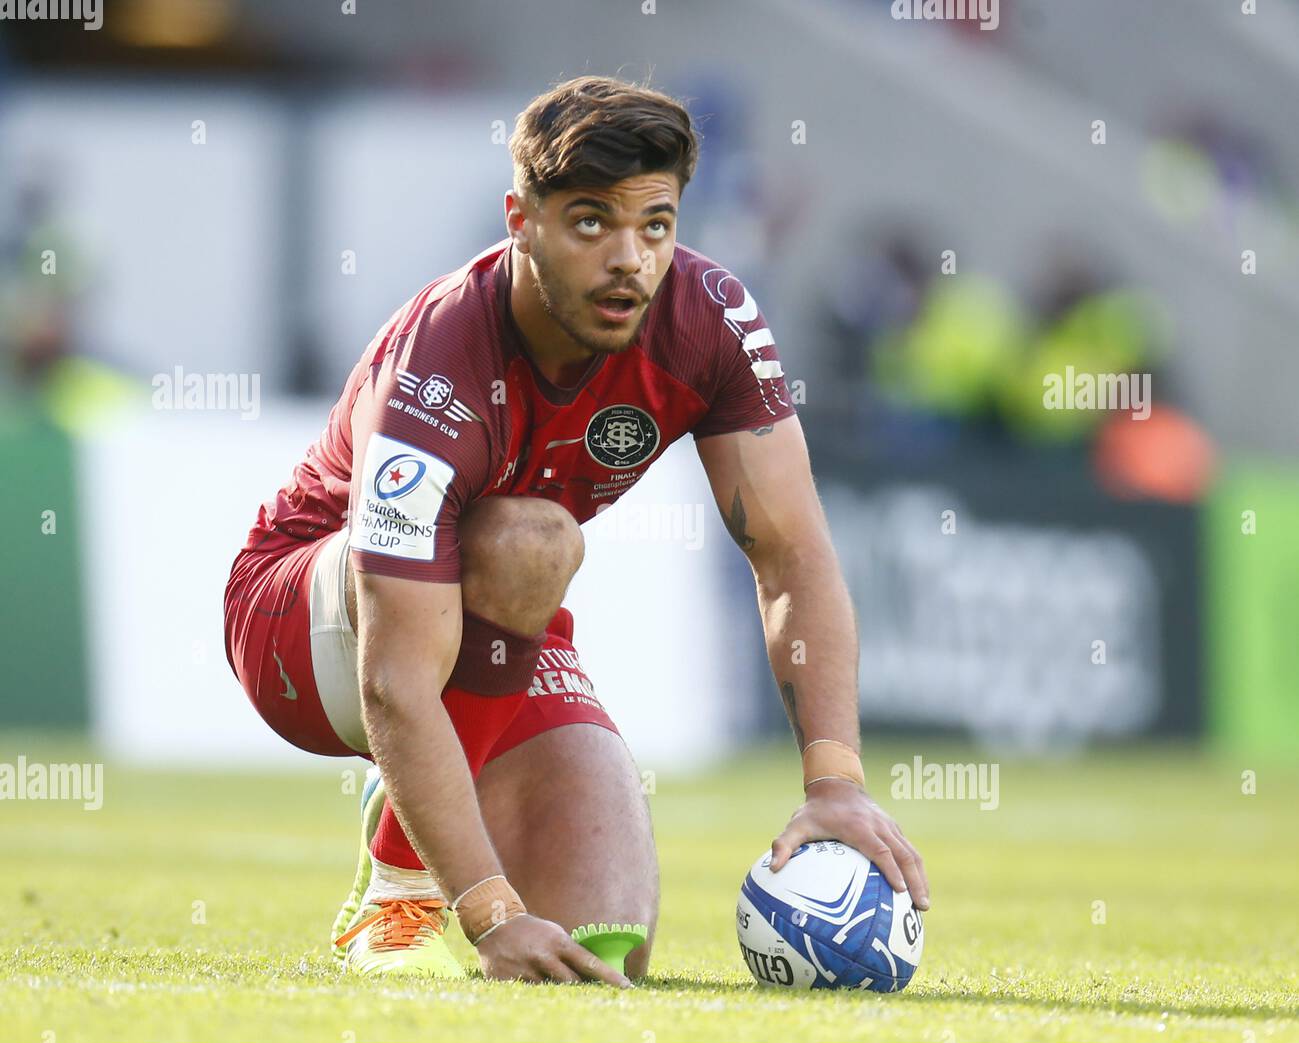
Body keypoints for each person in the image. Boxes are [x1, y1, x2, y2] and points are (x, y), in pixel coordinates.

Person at [222, 75, 929, 987]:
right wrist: (487, 909)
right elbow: (395, 679)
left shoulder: (708, 320)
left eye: (656, 225)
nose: (630, 259)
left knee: (598, 945)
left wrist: (835, 781)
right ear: (520, 218)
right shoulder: (438, 366)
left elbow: (792, 554)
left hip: (489, 617)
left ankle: (436, 789)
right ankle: (396, 897)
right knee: (533, 542)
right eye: (591, 222)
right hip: (304, 620)